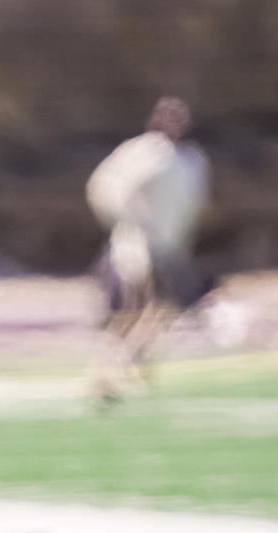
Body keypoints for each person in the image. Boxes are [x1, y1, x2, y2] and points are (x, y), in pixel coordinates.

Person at [86, 96, 211, 400]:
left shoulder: (191, 159)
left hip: (170, 248)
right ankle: (110, 371)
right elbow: (106, 187)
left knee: (162, 311)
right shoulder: (144, 153)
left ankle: (129, 365)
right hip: (138, 247)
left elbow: (193, 204)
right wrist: (130, 223)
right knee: (134, 310)